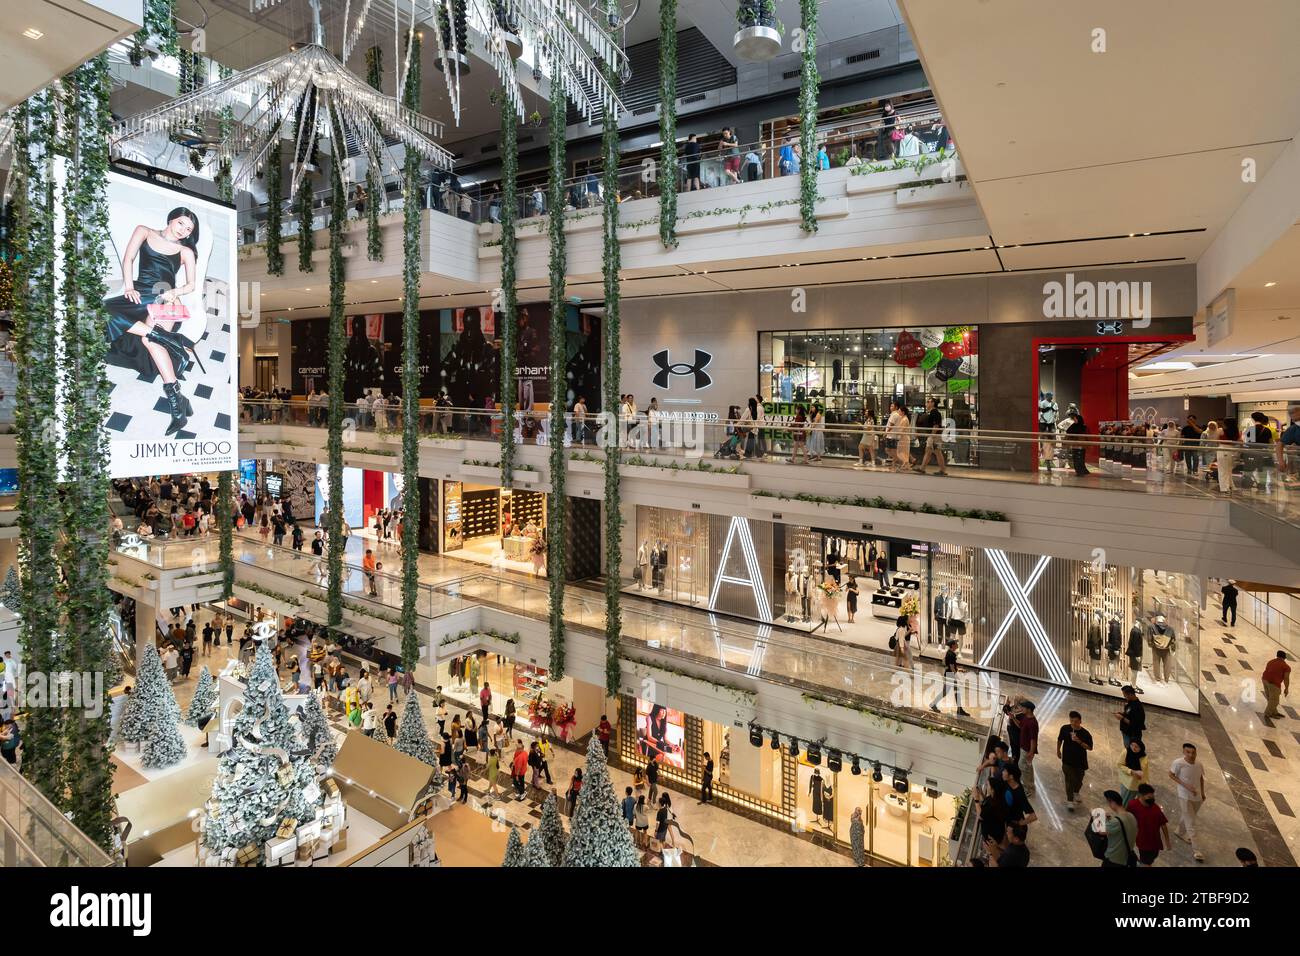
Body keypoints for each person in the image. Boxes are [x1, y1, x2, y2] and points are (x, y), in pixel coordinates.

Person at [103, 207, 202, 435]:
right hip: (138, 293)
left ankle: (177, 406)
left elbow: (191, 285)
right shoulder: (145, 231)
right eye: (181, 224)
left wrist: (173, 292)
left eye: (188, 229)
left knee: (151, 343)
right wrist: (128, 286)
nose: (183, 231)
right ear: (171, 219)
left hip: (166, 298)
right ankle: (163, 337)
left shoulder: (185, 251)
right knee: (103, 310)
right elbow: (128, 258)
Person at [1168, 742, 1206, 862]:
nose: (1191, 755)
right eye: (1188, 752)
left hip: (1197, 796)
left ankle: (1179, 831)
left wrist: (1203, 793)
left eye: (1193, 752)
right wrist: (1186, 786)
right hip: (1184, 795)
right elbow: (1171, 774)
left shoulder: (1199, 764)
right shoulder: (1178, 763)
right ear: (1184, 752)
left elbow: (1201, 778)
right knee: (1191, 823)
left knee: (1188, 817)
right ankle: (1197, 850)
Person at [1056, 710, 1093, 810]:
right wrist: (1058, 751)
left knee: (1079, 780)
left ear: (1080, 721)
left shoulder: (1085, 734)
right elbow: (1060, 740)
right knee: (1069, 780)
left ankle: (1076, 792)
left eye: (1076, 721)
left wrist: (1079, 741)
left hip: (1080, 762)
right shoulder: (1065, 728)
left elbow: (1090, 748)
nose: (1073, 723)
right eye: (1071, 720)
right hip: (1067, 760)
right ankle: (1070, 800)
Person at [1127, 784, 1171, 867]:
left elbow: (1163, 825)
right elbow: (1128, 817)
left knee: (1147, 862)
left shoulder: (1156, 809)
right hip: (1141, 841)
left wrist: (1167, 841)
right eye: (1149, 797)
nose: (1152, 799)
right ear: (1140, 795)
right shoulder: (1132, 805)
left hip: (1154, 843)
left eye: (1152, 797)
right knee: (1146, 862)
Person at [1100, 790, 1138, 867]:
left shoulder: (1117, 821)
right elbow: (1122, 827)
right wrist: (1109, 819)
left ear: (1112, 802)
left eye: (1108, 802)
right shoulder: (1131, 815)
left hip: (1114, 859)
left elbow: (1101, 831)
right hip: (1125, 857)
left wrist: (1096, 817)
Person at [913, 397, 947, 475]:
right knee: (930, 452)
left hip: (935, 436)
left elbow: (936, 425)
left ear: (932, 403)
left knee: (935, 452)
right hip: (934, 435)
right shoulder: (932, 412)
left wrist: (932, 436)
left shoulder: (934, 412)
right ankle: (923, 468)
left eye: (928, 402)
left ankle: (941, 470)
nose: (926, 403)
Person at [1116, 738, 1149, 807]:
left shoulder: (1143, 757)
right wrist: (1131, 771)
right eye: (1132, 745)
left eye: (1136, 746)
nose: (1133, 748)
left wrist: (1146, 782)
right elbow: (1119, 764)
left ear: (1141, 748)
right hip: (1127, 783)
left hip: (1137, 784)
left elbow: (1145, 771)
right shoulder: (1126, 752)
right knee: (1124, 801)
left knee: (1133, 802)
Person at [1262, 650, 1291, 719]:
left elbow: (1267, 670)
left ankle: (1274, 712)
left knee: (1270, 699)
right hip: (1273, 683)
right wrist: (1286, 688)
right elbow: (1286, 678)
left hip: (1264, 680)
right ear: (1284, 658)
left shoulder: (1270, 661)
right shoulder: (1286, 667)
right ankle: (1268, 713)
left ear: (1277, 656)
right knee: (1275, 701)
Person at [1116, 685, 1145, 749]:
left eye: (1125, 695)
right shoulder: (1131, 702)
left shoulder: (1138, 708)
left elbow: (1134, 724)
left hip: (1132, 735)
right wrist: (1122, 714)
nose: (1124, 697)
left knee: (1130, 751)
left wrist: (1122, 718)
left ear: (1130, 694)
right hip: (1126, 732)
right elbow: (1129, 714)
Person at [1066, 410, 1090, 476]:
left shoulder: (1083, 427)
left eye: (1075, 419)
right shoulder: (1074, 426)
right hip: (1075, 446)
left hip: (1081, 446)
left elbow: (1086, 437)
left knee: (1080, 459)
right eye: (1074, 419)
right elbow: (1068, 431)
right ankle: (1079, 471)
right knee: (1076, 459)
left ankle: (1081, 472)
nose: (1074, 420)